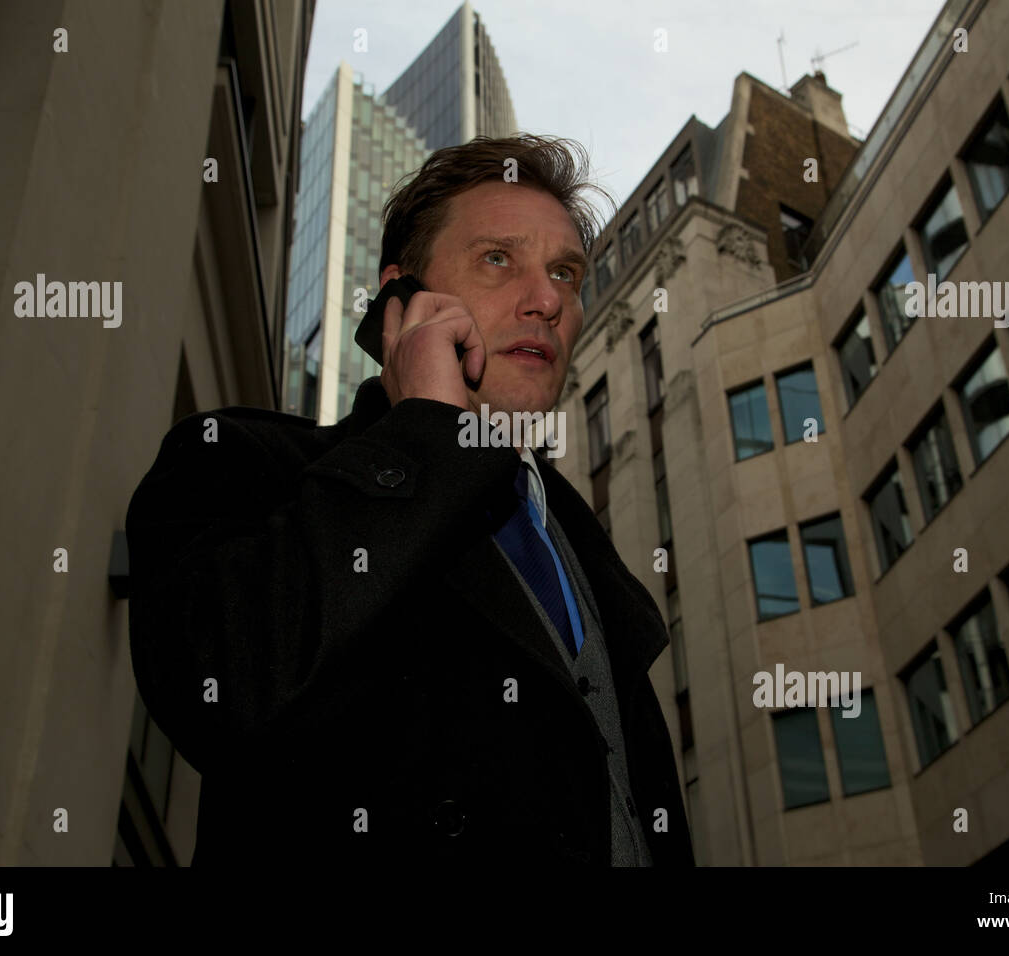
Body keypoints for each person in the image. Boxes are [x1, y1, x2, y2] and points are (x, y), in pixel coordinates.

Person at [125, 134, 694, 866]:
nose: (549, 299)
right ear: (400, 298)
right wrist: (426, 438)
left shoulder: (590, 550)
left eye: (565, 273)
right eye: (499, 259)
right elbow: (222, 693)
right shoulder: (242, 464)